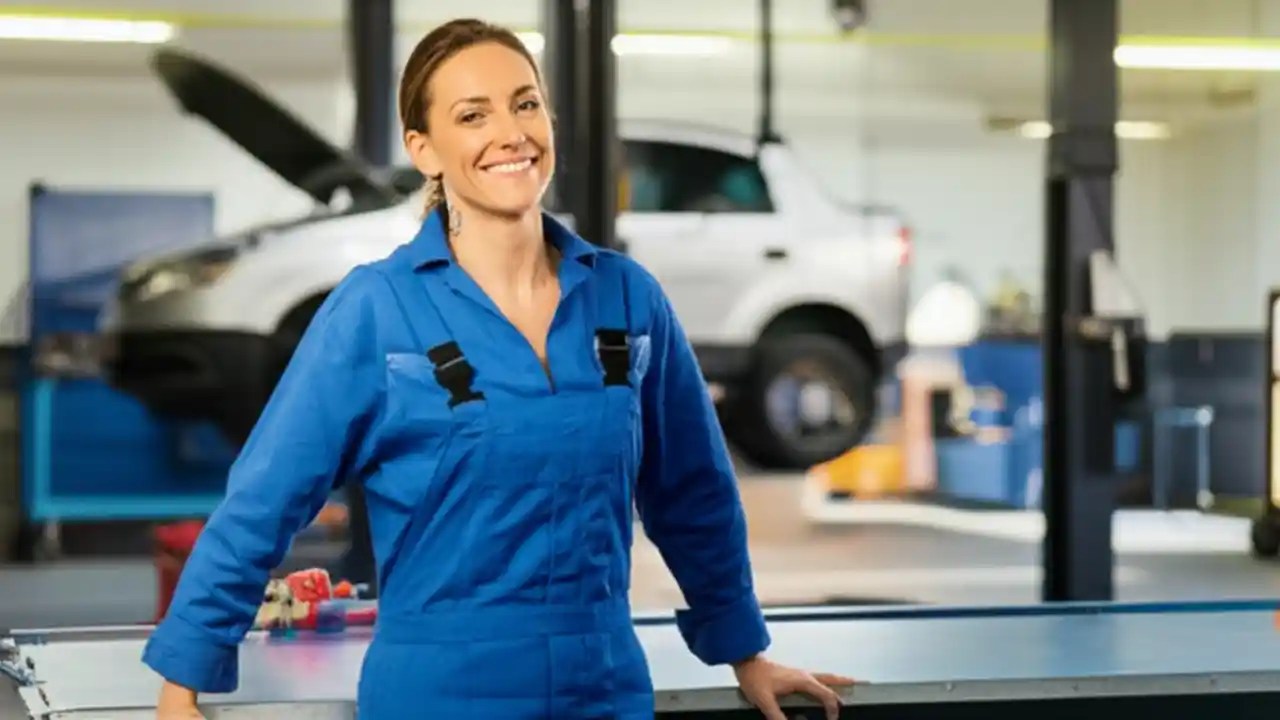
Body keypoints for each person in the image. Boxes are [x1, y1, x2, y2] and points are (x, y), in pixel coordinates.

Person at [147, 17, 854, 720]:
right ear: (424, 149)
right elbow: (264, 500)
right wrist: (183, 682)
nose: (511, 133)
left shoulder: (627, 298)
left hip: (603, 688)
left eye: (525, 104)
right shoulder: (376, 310)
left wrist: (745, 650)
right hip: (438, 694)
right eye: (472, 115)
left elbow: (694, 493)